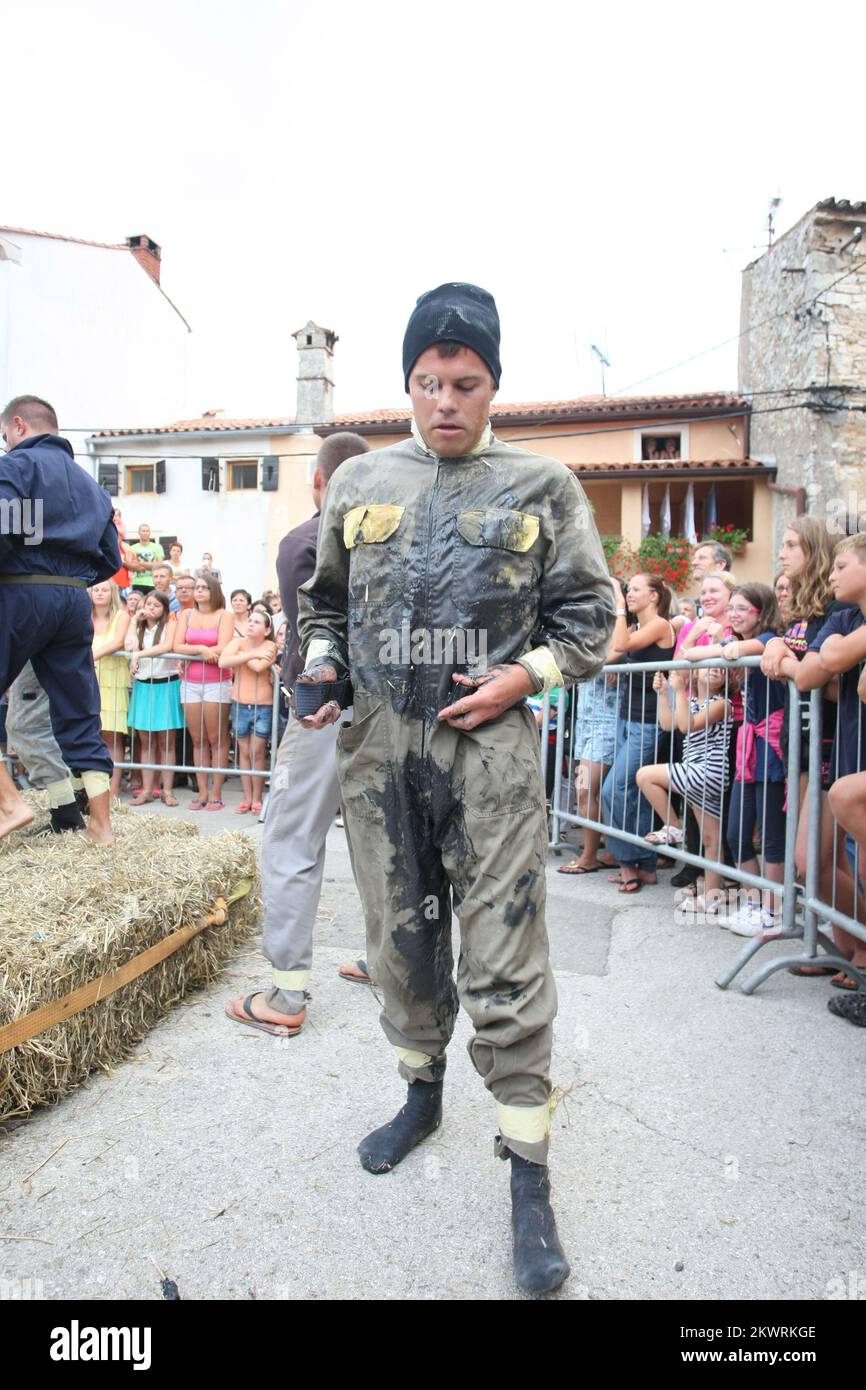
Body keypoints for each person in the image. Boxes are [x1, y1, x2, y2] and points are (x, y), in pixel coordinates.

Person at [296, 284, 616, 1295]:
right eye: (427, 383)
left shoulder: (541, 486)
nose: (444, 401)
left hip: (488, 756)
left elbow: (590, 622)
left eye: (463, 383)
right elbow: (325, 606)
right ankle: (420, 1093)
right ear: (406, 384)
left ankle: (527, 1175)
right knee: (400, 936)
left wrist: (526, 675)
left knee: (506, 953)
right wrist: (320, 667)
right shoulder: (359, 484)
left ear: (492, 388)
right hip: (380, 748)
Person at [226, 432, 371, 1028]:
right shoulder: (404, 544)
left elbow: (318, 629)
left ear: (319, 481)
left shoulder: (305, 542)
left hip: (322, 707)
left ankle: (286, 996)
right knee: (383, 845)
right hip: (386, 712)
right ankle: (391, 963)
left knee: (291, 843)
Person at [0, 395, 119, 843]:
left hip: (22, 589)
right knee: (79, 716)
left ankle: (10, 805)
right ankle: (102, 827)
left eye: (4, 436)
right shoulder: (92, 487)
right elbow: (110, 555)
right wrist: (71, 577)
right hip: (73, 600)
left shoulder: (17, 466)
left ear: (18, 426)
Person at [767, 533, 866, 988]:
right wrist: (781, 649)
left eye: (842, 566)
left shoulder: (838, 614)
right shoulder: (843, 614)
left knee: (838, 862)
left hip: (836, 751)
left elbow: (828, 664)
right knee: (823, 864)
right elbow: (817, 665)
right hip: (844, 755)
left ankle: (858, 948)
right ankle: (853, 946)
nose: (832, 575)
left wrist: (794, 658)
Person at [602, 572, 675, 893]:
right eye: (627, 590)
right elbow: (609, 656)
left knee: (612, 789)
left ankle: (628, 862)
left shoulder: (659, 625)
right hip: (626, 718)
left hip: (647, 722)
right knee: (633, 791)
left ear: (654, 596)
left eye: (634, 590)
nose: (629, 594)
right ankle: (645, 865)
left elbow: (620, 645)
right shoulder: (637, 628)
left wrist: (619, 608)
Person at [638, 664, 733, 910]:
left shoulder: (722, 703)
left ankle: (674, 827)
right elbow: (669, 724)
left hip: (706, 772)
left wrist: (678, 691)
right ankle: (712, 896)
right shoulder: (691, 701)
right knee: (711, 840)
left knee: (645, 775)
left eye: (721, 670)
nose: (715, 671)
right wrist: (662, 695)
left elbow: (686, 725)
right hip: (696, 773)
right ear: (696, 673)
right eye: (709, 667)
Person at [173, 574, 233, 809]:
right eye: (196, 587)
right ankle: (202, 792)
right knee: (197, 740)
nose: (198, 591)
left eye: (204, 587)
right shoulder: (186, 614)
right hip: (190, 683)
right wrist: (201, 649)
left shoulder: (224, 615)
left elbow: (224, 646)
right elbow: (176, 646)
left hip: (217, 682)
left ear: (214, 591)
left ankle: (216, 792)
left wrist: (194, 651)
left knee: (216, 738)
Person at [4, 662, 87, 833]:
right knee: (42, 727)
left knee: (26, 727)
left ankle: (67, 811)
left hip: (35, 653)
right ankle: (70, 803)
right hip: (47, 654)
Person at [127, 589, 183, 806]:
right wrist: (133, 620)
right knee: (146, 742)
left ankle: (167, 790)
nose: (150, 608)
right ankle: (147, 789)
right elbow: (128, 645)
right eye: (148, 604)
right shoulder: (139, 627)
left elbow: (167, 646)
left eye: (156, 605)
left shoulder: (170, 625)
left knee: (166, 742)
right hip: (144, 686)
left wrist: (138, 655)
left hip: (165, 684)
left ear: (164, 609)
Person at [219, 607, 277, 813]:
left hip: (263, 705)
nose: (251, 624)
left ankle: (257, 797)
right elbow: (223, 661)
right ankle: (246, 797)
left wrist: (242, 656)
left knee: (257, 751)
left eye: (257, 622)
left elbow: (259, 667)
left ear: (267, 629)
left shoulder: (270, 645)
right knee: (244, 751)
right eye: (250, 620)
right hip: (239, 704)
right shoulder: (237, 642)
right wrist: (251, 653)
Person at [90, 579, 130, 798]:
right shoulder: (85, 616)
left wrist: (91, 656)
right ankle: (93, 790)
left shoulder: (121, 616)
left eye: (104, 589)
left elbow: (117, 642)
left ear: (112, 592)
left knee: (112, 737)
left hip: (112, 680)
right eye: (96, 589)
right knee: (91, 734)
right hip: (88, 681)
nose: (99, 593)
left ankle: (112, 790)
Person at [128, 523, 164, 596]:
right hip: (137, 582)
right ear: (139, 533)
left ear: (150, 533)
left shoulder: (157, 547)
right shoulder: (132, 548)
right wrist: (151, 564)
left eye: (147, 531)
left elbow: (159, 565)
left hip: (153, 582)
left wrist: (139, 563)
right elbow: (131, 566)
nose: (145, 533)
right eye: (143, 531)